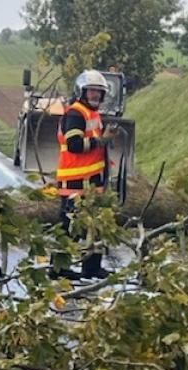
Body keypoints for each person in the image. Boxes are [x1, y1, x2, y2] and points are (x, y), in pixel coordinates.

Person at [53, 70, 116, 280]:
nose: (95, 96)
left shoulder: (93, 115)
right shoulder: (75, 114)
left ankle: (92, 267)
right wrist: (101, 141)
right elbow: (75, 145)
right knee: (69, 227)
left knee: (95, 228)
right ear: (82, 91)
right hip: (74, 183)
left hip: (92, 183)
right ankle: (58, 269)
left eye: (98, 92)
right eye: (91, 92)